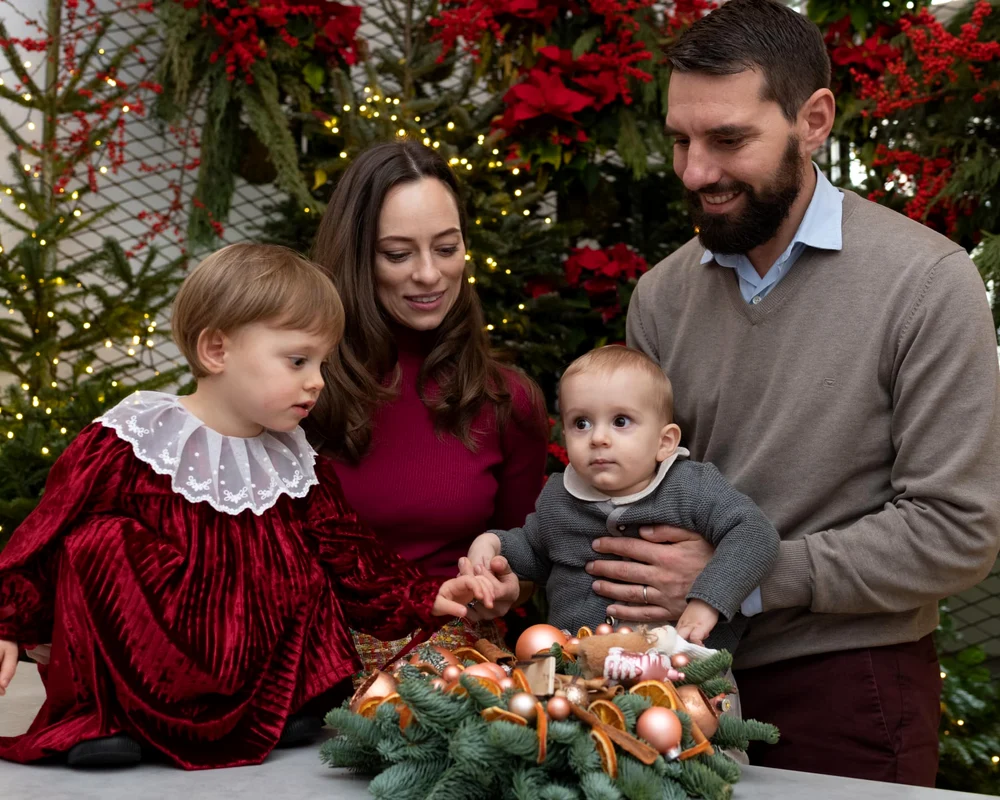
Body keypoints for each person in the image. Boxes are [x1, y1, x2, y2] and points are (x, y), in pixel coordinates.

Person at [575, 0, 999, 785]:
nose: (695, 171)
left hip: (850, 684)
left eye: (728, 140)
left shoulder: (927, 284)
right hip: (670, 684)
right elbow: (637, 493)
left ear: (813, 120)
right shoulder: (660, 297)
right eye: (680, 141)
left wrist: (743, 577)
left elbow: (958, 530)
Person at [0, 243, 494, 770]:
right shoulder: (137, 437)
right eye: (298, 360)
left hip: (259, 666)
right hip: (148, 656)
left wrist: (423, 594)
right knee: (96, 538)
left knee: (304, 555)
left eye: (321, 363)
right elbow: (48, 530)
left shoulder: (292, 459)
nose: (317, 381)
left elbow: (349, 552)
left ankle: (283, 703)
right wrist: (8, 620)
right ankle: (105, 720)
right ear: (216, 350)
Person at [307, 141, 548, 667]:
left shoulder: (507, 400)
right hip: (321, 673)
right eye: (398, 254)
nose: (429, 274)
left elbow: (527, 564)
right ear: (357, 258)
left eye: (446, 247)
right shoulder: (304, 388)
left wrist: (508, 587)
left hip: (460, 675)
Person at [466, 346, 779, 649]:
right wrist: (493, 545)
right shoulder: (559, 497)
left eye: (620, 421)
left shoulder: (691, 488)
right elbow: (534, 551)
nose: (598, 438)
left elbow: (755, 534)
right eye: (581, 423)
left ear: (665, 441)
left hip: (683, 675)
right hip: (579, 671)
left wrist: (708, 600)